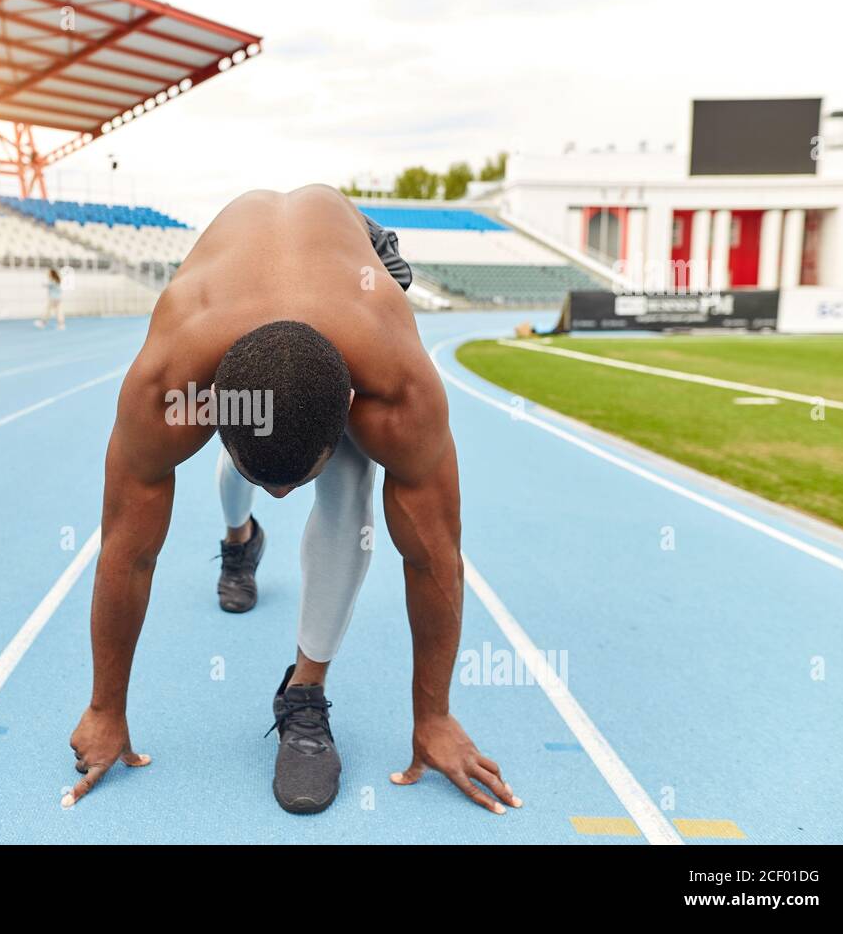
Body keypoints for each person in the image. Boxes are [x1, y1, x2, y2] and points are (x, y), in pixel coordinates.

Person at [66, 185, 521, 816]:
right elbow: (127, 549)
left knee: (354, 483)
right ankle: (238, 540)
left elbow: (433, 555)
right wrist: (103, 708)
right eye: (268, 482)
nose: (282, 496)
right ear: (212, 412)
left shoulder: (396, 390)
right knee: (261, 439)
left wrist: (436, 715)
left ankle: (304, 692)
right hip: (225, 291)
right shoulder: (168, 385)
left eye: (294, 482)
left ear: (351, 412)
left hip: (353, 263)